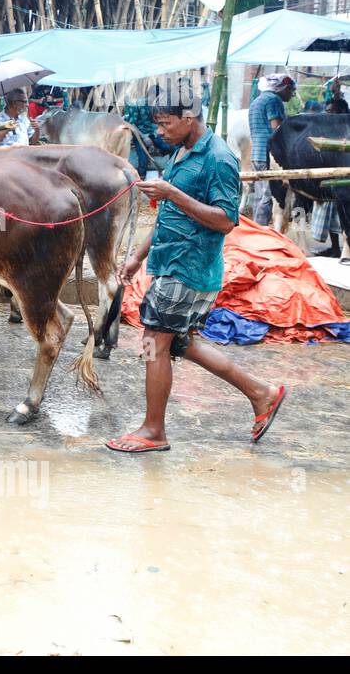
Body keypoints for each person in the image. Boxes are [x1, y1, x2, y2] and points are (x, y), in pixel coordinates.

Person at [106, 94, 285, 454]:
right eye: (157, 124)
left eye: (165, 124)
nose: (159, 132)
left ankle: (153, 431)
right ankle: (262, 393)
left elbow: (225, 220)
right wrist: (138, 257)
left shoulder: (218, 158)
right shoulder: (181, 152)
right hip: (170, 262)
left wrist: (172, 193)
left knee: (155, 342)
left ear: (189, 118)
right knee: (181, 343)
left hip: (190, 267)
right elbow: (168, 215)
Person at [247, 73, 294, 226]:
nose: (292, 94)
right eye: (291, 90)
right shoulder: (274, 100)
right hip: (269, 155)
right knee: (267, 197)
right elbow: (277, 128)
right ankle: (261, 231)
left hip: (256, 154)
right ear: (284, 88)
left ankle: (256, 228)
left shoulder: (257, 101)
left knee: (259, 195)